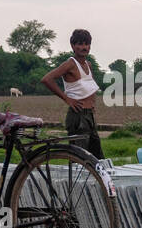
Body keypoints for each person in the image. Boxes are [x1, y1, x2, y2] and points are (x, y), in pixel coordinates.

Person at [41, 29, 103, 159]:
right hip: (77, 116)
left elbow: (89, 89)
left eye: (86, 44)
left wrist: (92, 107)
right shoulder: (70, 64)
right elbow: (47, 79)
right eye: (79, 44)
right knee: (79, 158)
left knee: (97, 158)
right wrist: (67, 99)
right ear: (73, 46)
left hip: (89, 115)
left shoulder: (88, 64)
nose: (83, 47)